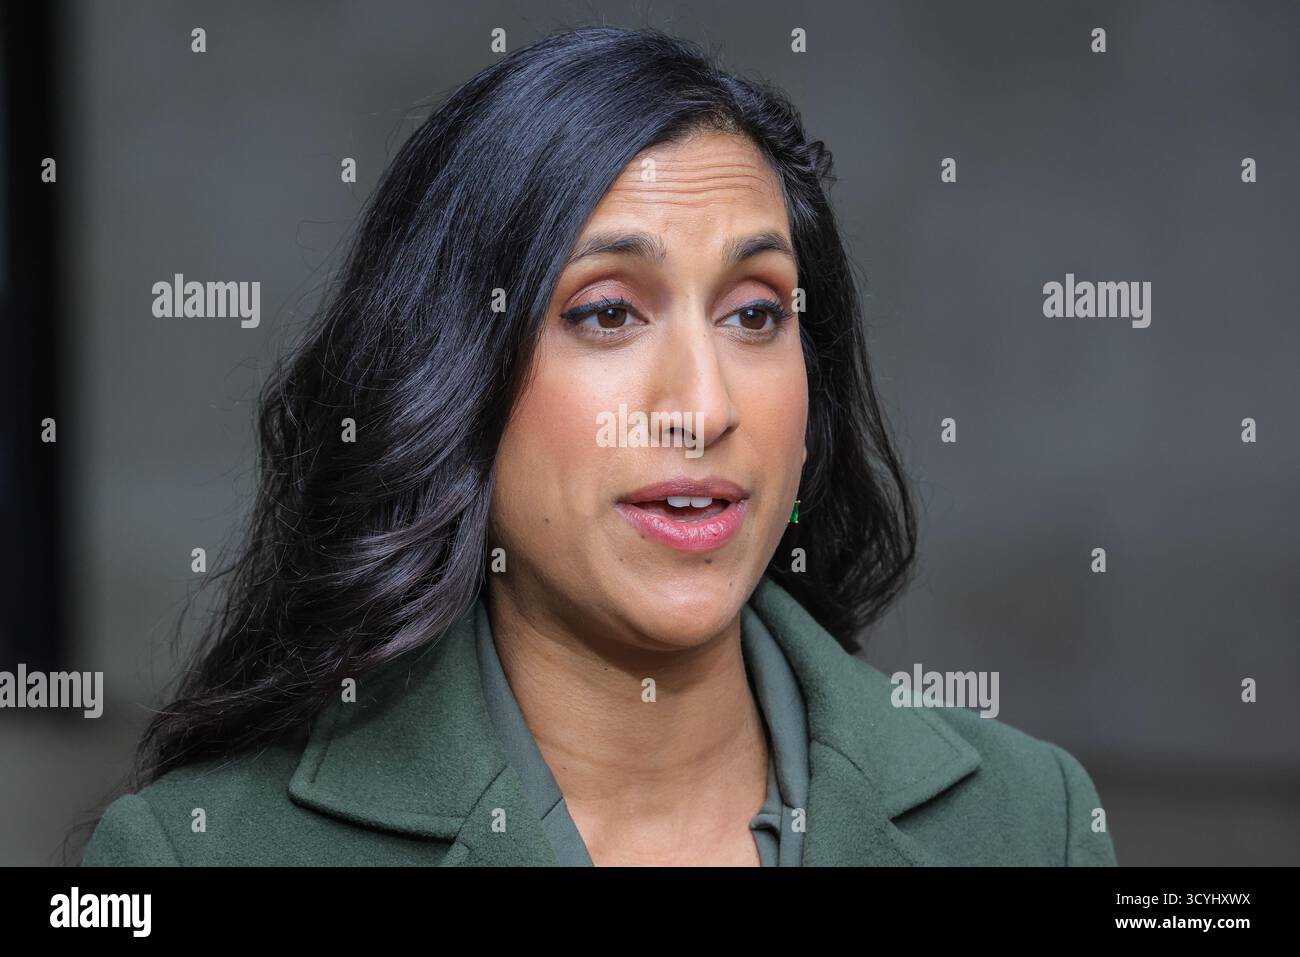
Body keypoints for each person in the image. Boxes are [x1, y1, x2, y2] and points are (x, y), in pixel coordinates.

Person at [79, 26, 1116, 867]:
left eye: (755, 315)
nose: (702, 406)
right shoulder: (197, 855)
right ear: (455, 378)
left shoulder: (1031, 824)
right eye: (609, 312)